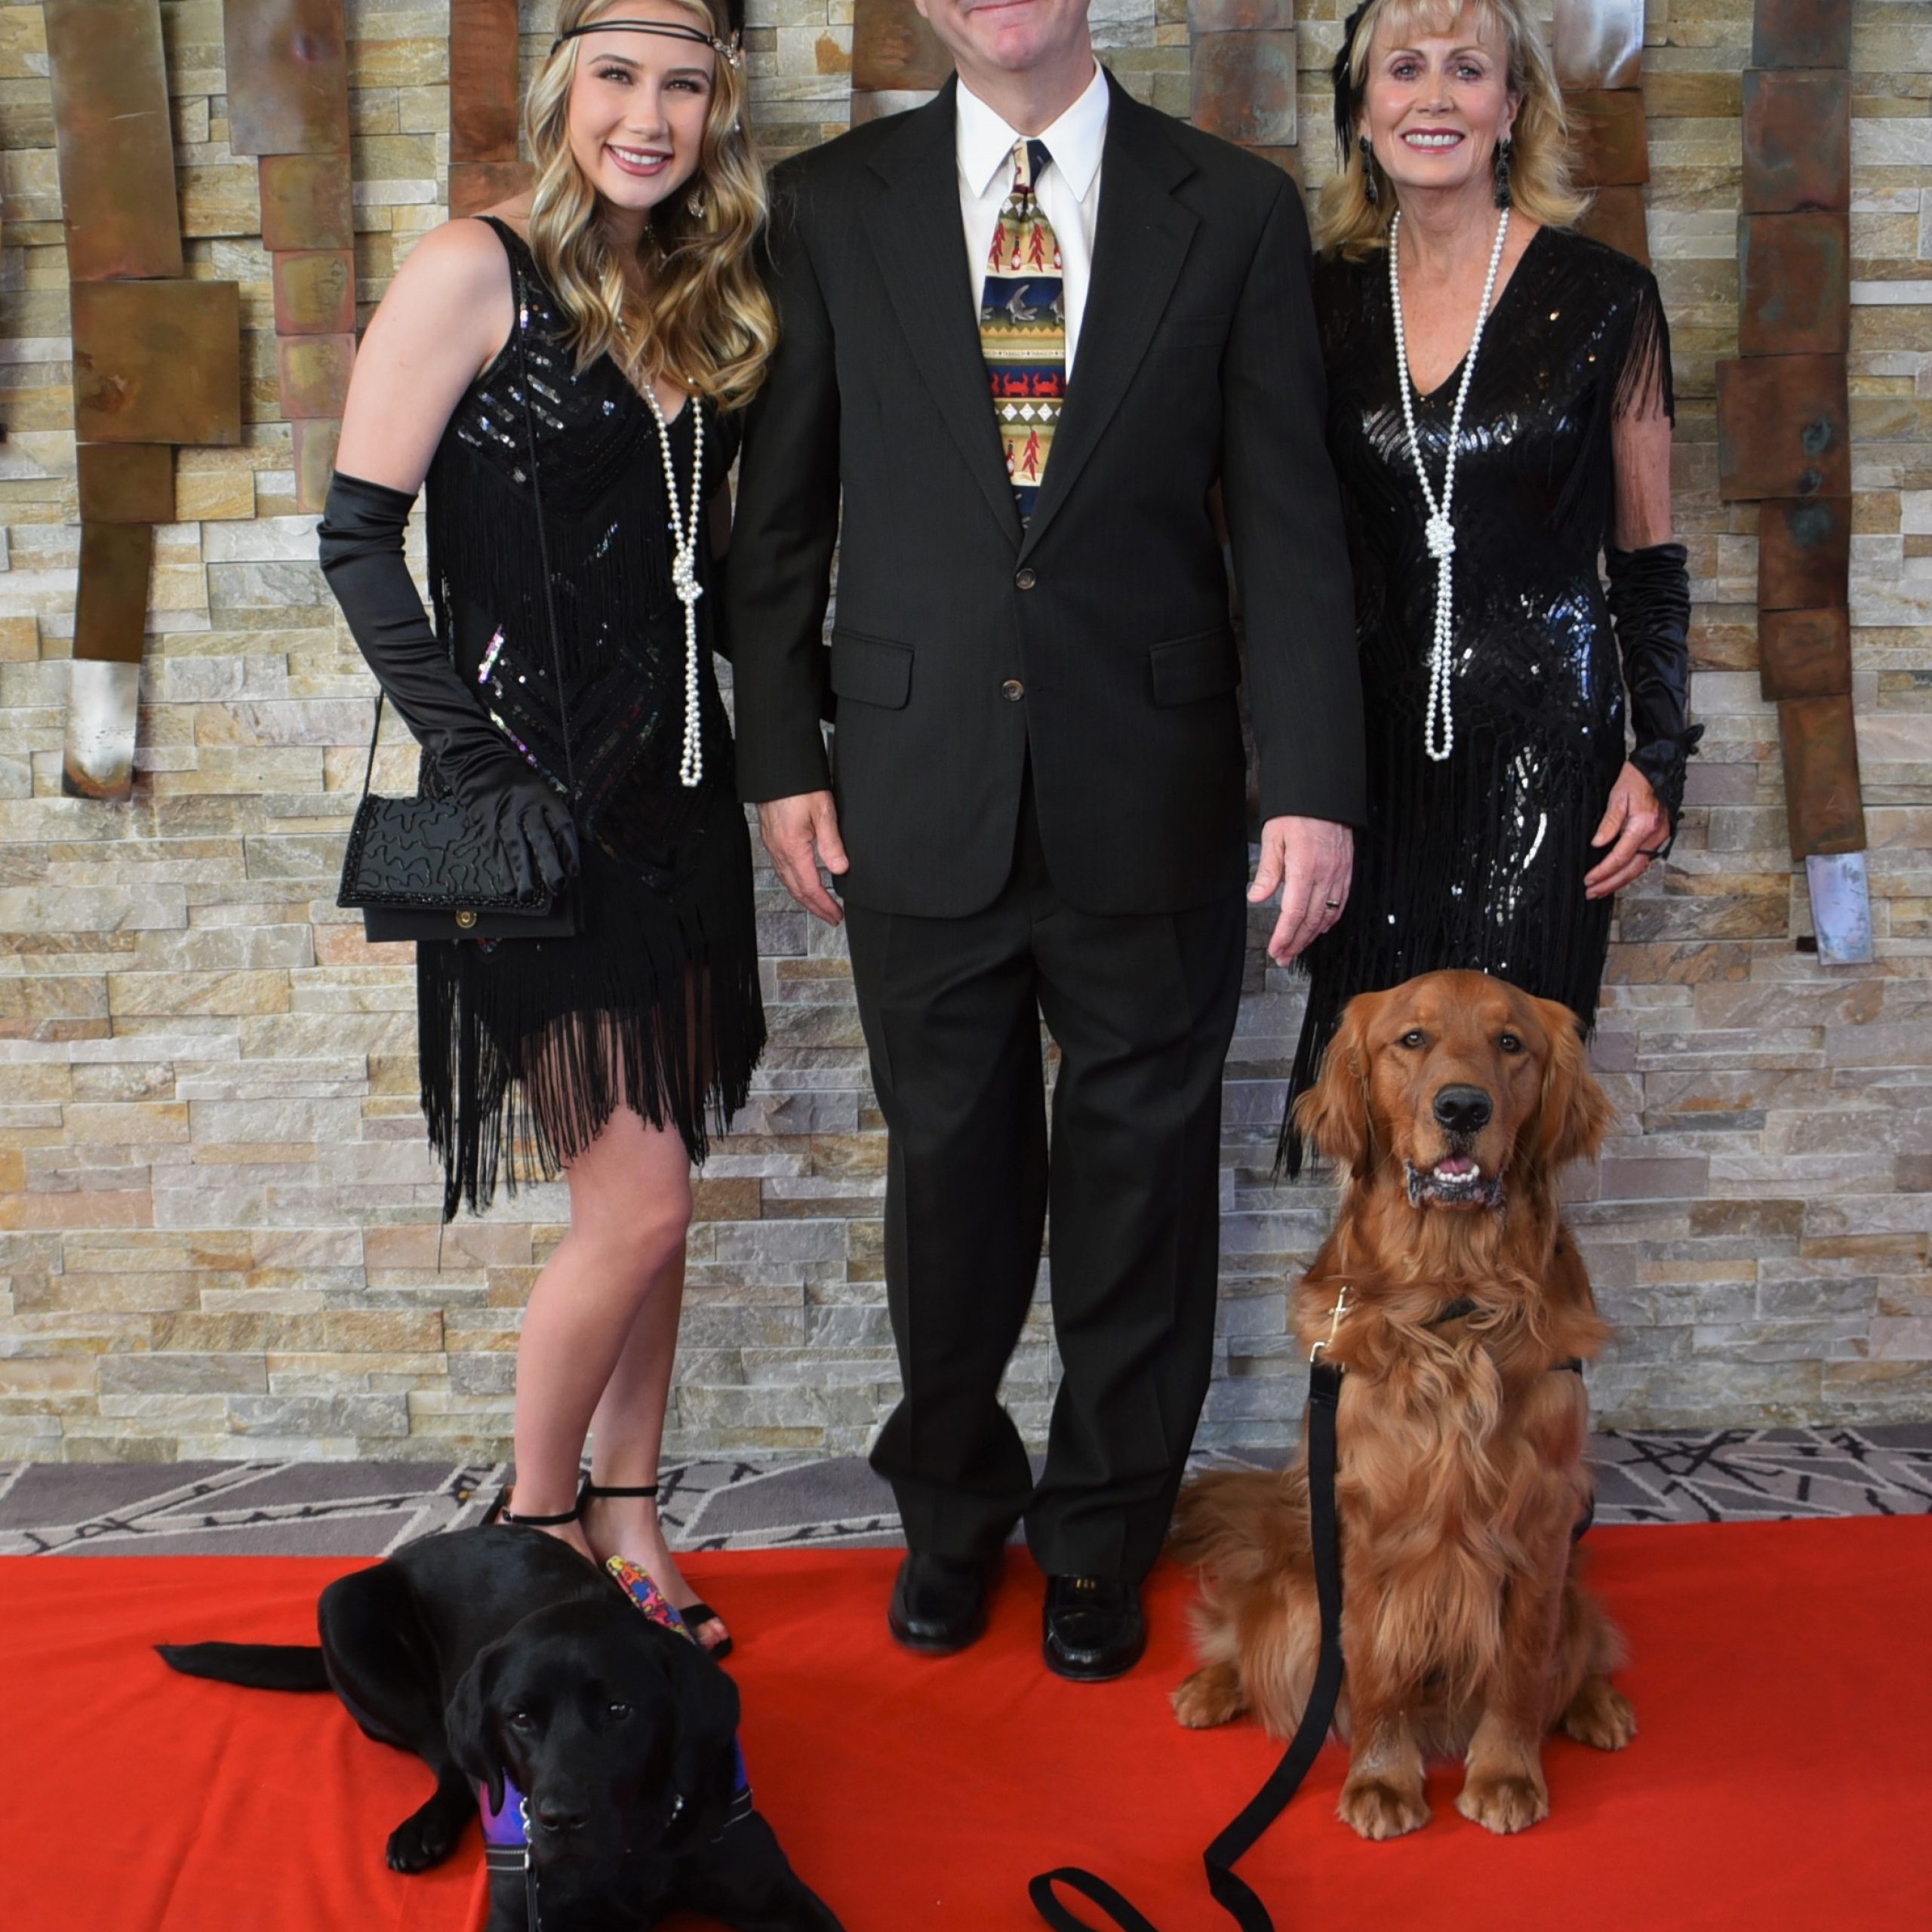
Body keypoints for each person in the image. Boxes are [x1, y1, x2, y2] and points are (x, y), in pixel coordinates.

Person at [722, 0, 1363, 1678]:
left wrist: (1308, 780)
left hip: (1153, 783)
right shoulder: (829, 204)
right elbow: (779, 515)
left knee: (1140, 1183)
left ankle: (1099, 1530)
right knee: (950, 1180)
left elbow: (1288, 523)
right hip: (910, 782)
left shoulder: (1228, 206)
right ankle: (948, 1512)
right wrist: (782, 750)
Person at [317, 0, 772, 1651]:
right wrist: (482, 765)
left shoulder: (707, 287)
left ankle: (633, 1507)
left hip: (682, 803)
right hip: (524, 822)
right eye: (616, 78)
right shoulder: (470, 268)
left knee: (663, 1189)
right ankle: (534, 1526)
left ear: (720, 103)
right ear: (561, 86)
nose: (645, 116)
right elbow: (358, 540)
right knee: (633, 1202)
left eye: (682, 84)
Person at [1281, 0, 1700, 1170]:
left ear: (1513, 107)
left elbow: (1650, 561)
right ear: (1360, 111)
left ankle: (1511, 1359)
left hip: (1548, 772)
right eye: (1402, 69)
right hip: (1367, 776)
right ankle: (1360, 1363)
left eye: (1468, 70)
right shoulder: (1312, 302)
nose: (1434, 97)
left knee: (1503, 1132)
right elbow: (1276, 546)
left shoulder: (1607, 297)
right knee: (1379, 1126)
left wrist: (1656, 755)